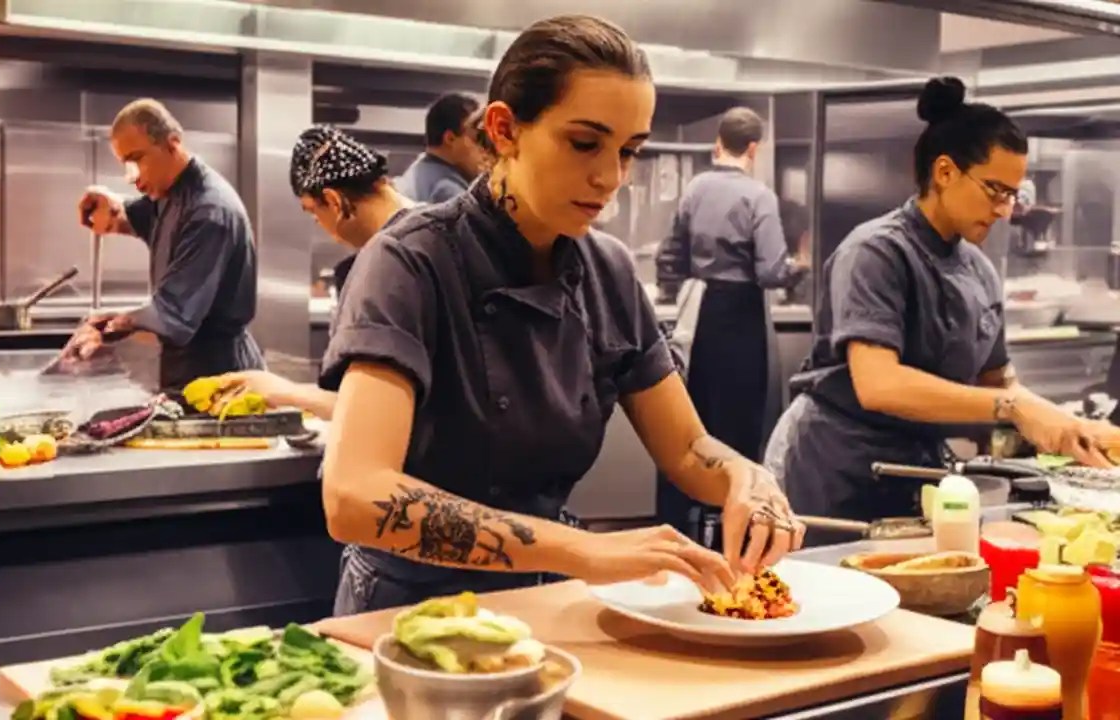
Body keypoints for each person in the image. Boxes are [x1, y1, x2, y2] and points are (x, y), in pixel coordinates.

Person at [319, 14, 805, 616]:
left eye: (629, 151)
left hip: (548, 601)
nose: (611, 177)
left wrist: (746, 478)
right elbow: (354, 494)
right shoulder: (409, 261)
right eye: (584, 143)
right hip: (408, 610)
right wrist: (582, 550)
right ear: (503, 129)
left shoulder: (609, 271)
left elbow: (686, 447)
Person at [765, 77, 1120, 532]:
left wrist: (1067, 426)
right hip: (834, 465)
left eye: (1013, 195)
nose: (1005, 209)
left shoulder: (978, 270)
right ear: (946, 172)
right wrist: (1012, 407)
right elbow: (880, 384)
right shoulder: (876, 251)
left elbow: (999, 380)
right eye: (996, 191)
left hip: (914, 469)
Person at [655, 107, 808, 540]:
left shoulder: (695, 187)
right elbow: (770, 271)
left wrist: (675, 287)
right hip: (742, 319)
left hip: (701, 315)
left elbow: (672, 254)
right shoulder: (758, 196)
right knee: (740, 426)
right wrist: (799, 267)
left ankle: (678, 531)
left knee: (693, 424)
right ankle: (732, 535)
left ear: (718, 142)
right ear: (754, 149)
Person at [213, 126, 416, 421]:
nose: (320, 225)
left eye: (312, 211)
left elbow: (372, 410)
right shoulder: (432, 234)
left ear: (333, 201)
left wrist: (280, 391)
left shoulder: (392, 262)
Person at [64, 99, 263, 392]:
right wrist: (112, 209)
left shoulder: (209, 213)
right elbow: (139, 217)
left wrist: (109, 327)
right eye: (125, 165)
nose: (131, 177)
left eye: (137, 159)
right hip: (186, 371)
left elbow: (173, 315)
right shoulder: (169, 194)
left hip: (222, 379)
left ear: (172, 144)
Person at [395, 92, 487, 204]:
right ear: (450, 139)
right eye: (478, 138)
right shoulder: (448, 193)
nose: (485, 149)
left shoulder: (419, 173)